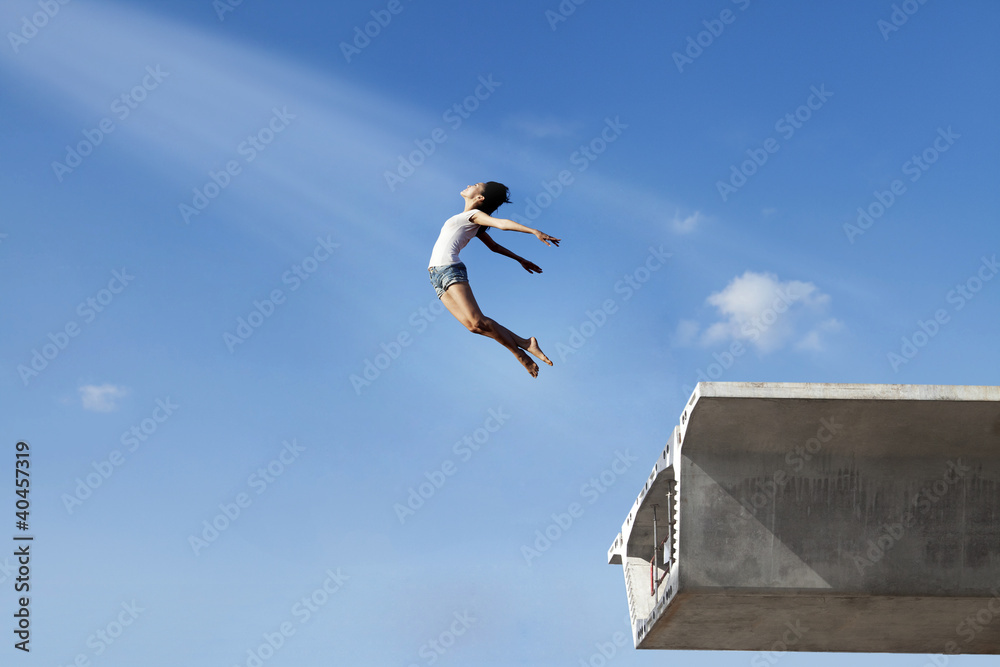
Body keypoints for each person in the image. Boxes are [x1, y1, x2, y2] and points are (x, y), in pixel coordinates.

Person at [428, 182, 560, 377]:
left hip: (449, 269)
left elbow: (502, 223)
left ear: (479, 198)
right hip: (435, 275)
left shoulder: (474, 216)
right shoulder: (470, 221)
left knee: (477, 319)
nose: (470, 184)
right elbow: (494, 247)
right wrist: (520, 259)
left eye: (476, 185)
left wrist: (534, 231)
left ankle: (519, 354)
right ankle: (526, 343)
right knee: (474, 326)